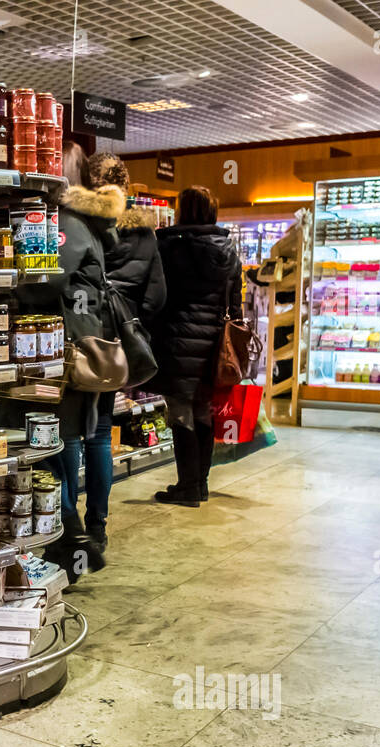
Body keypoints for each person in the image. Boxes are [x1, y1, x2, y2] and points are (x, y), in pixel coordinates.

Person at [17, 142, 124, 572]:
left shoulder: (66, 224)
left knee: (51, 448)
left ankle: (72, 537)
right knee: (69, 444)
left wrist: (11, 284)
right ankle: (78, 532)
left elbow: (43, 283)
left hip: (62, 354)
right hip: (76, 350)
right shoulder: (86, 223)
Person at [84, 153, 167, 549]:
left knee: (65, 432)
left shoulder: (83, 222)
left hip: (80, 338)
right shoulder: (145, 233)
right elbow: (157, 296)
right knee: (100, 433)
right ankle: (97, 525)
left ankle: (61, 517)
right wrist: (129, 320)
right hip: (116, 345)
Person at [146, 185, 241, 506]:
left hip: (176, 342)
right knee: (203, 412)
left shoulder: (170, 247)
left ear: (182, 212)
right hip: (214, 345)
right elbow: (236, 306)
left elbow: (157, 298)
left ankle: (187, 487)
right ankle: (199, 484)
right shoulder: (228, 251)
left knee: (180, 415)